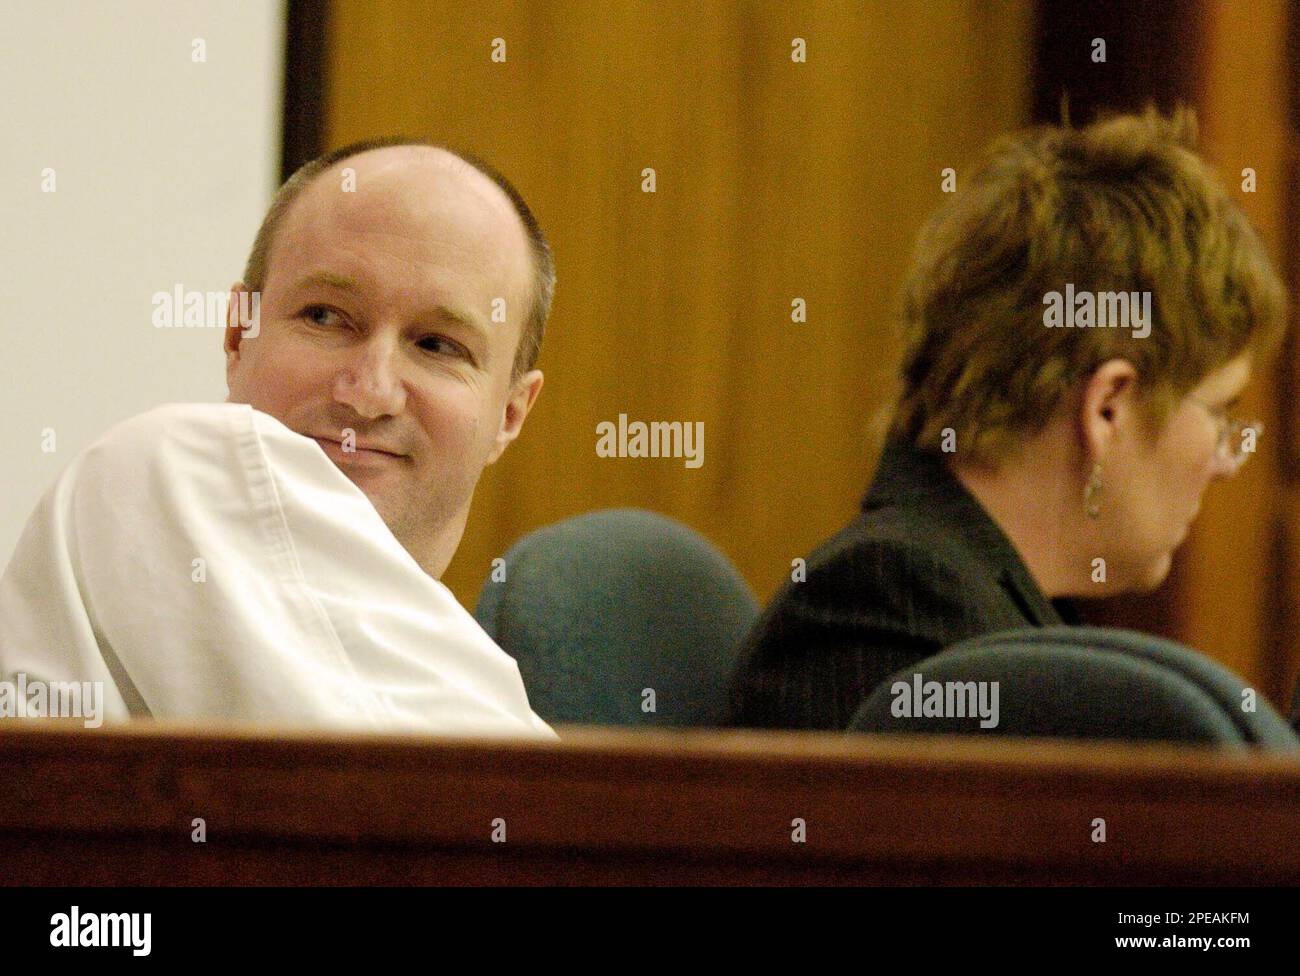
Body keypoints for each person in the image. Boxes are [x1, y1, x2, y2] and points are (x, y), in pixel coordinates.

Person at [728, 107, 1287, 731]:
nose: (1227, 463)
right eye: (1219, 414)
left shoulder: (991, 605)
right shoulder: (886, 611)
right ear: (1108, 407)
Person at [0, 140, 556, 737]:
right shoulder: (158, 471)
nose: (368, 392)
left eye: (438, 346)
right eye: (325, 317)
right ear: (239, 335)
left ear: (509, 414)